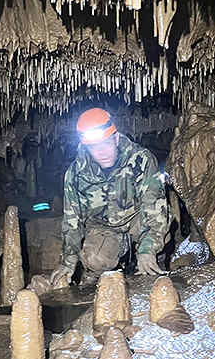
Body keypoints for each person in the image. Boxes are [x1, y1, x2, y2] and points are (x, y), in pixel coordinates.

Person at [50, 108, 171, 286]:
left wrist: (147, 249)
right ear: (86, 147)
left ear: (115, 138)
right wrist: (68, 262)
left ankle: (155, 266)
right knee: (94, 259)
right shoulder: (75, 174)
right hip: (104, 227)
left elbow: (154, 210)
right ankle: (105, 276)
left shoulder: (141, 160)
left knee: (161, 232)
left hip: (137, 218)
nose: (102, 152)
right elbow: (72, 220)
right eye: (94, 147)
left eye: (106, 144)